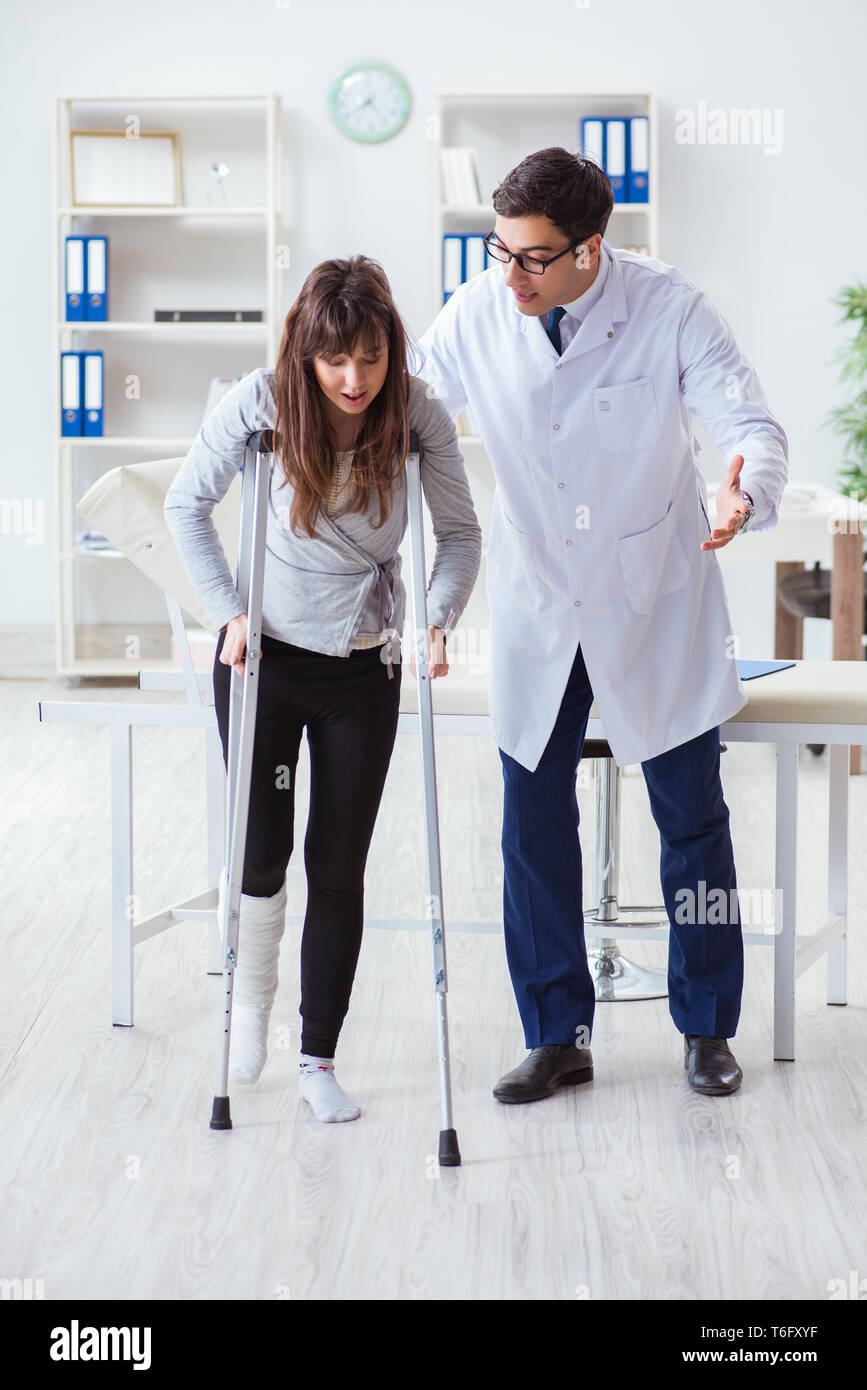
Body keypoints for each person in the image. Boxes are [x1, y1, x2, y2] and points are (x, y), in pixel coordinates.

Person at [415, 146, 788, 1102]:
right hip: (541, 601)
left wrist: (742, 494)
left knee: (690, 821)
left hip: (651, 597)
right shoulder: (477, 310)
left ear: (591, 249)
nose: (510, 276)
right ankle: (557, 1035)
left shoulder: (667, 307)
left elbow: (750, 428)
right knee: (530, 825)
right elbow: (402, 419)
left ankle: (707, 1028)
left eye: (532, 258)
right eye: (498, 251)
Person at [164, 256, 482, 1123]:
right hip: (263, 662)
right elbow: (184, 505)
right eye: (335, 360)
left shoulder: (415, 412)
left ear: (392, 352)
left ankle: (317, 1057)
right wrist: (225, 613)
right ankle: (248, 1006)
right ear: (306, 352)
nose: (353, 379)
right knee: (261, 855)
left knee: (335, 867)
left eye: (370, 359)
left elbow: (457, 532)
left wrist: (439, 618)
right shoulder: (262, 403)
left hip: (362, 669)